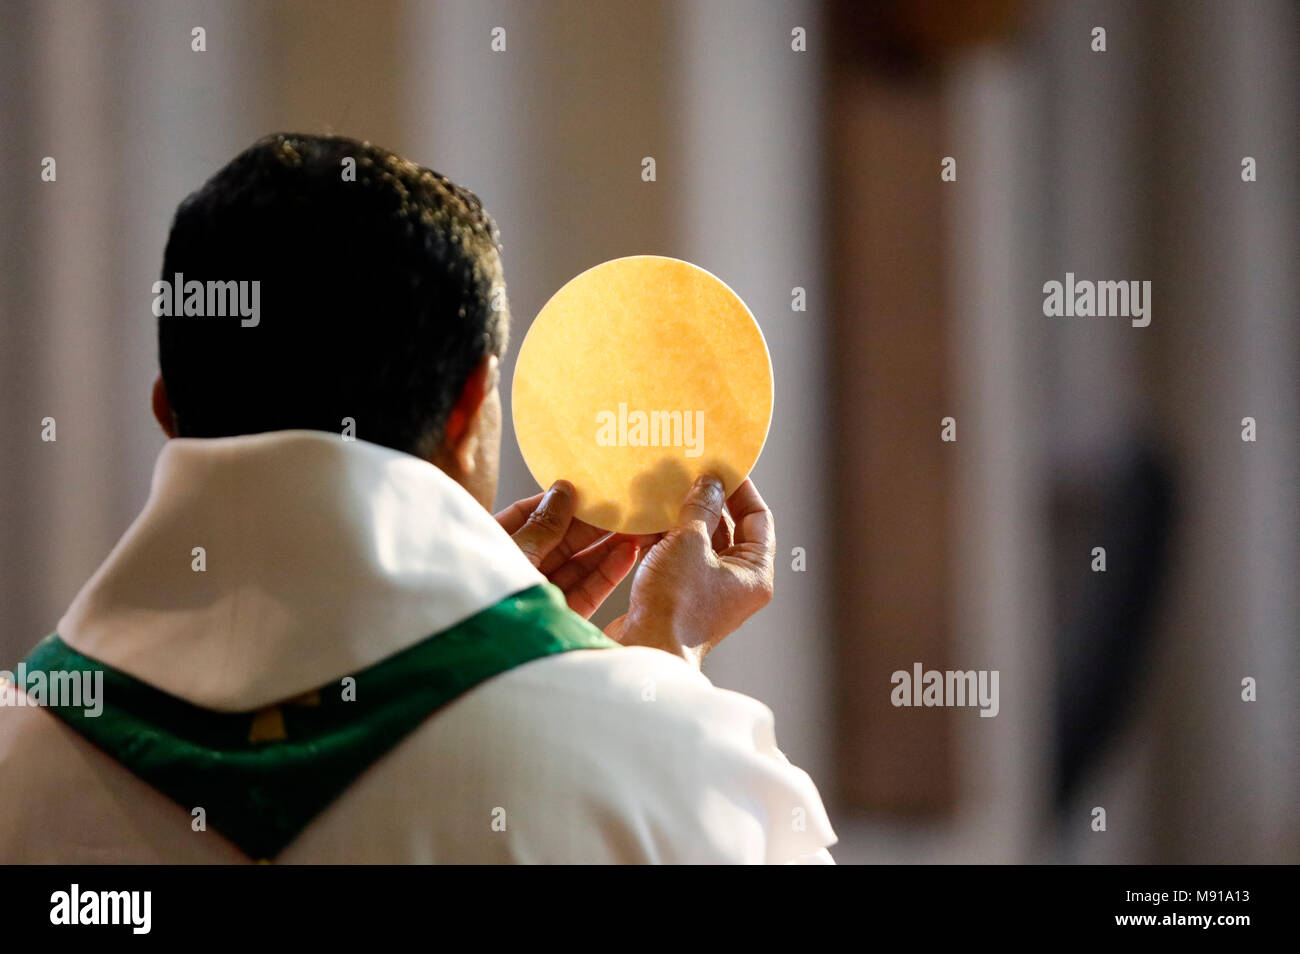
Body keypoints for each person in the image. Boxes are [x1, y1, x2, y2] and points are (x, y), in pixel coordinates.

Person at [0, 134, 836, 864]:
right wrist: (662, 671)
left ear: (167, 412)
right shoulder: (659, 765)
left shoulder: (21, 751)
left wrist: (468, 629)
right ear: (470, 404)